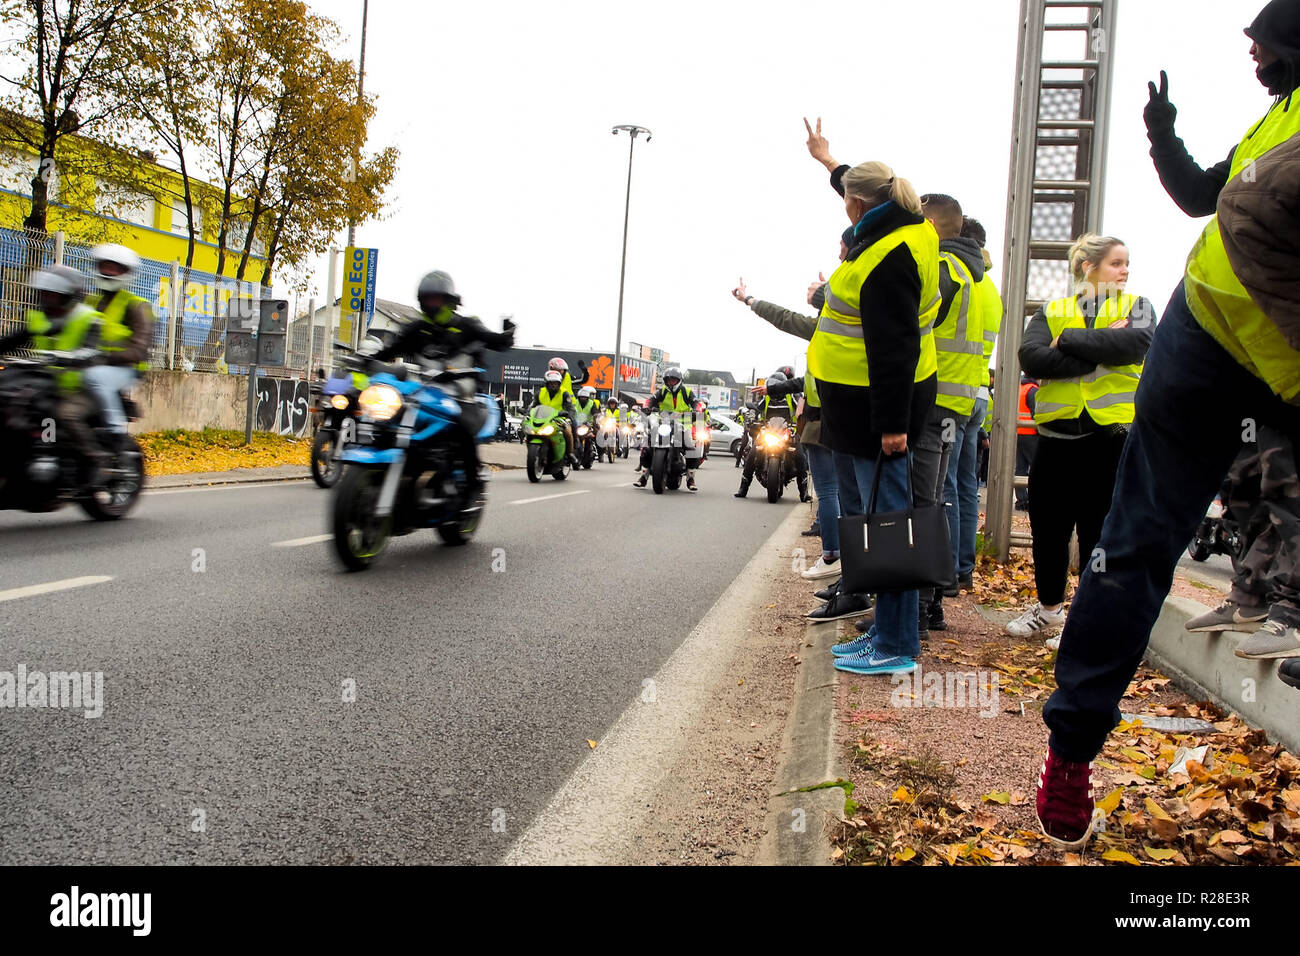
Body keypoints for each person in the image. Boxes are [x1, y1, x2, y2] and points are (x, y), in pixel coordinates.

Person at [1037, 0, 1300, 849]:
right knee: (1139, 542)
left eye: (1267, 45)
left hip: (1257, 352)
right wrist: (1163, 132)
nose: (1254, 55)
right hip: (1208, 345)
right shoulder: (1282, 117)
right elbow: (1205, 197)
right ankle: (1072, 750)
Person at [790, 139, 940, 676]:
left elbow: (893, 347)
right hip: (862, 409)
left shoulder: (887, 256)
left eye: (845, 198)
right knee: (877, 524)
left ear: (856, 206)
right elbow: (858, 180)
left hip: (880, 412)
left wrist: (894, 427)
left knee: (888, 527)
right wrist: (829, 162)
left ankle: (898, 644)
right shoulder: (900, 223)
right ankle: (884, 628)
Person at [1007, 234, 1155, 647]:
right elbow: (1032, 358)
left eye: (1126, 263)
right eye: (1116, 263)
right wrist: (1101, 345)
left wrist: (1068, 341)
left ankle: (1088, 620)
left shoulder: (1137, 307)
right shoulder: (1053, 310)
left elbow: (1134, 345)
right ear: (1087, 267)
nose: (1125, 271)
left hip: (1110, 437)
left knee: (1099, 532)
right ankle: (1050, 610)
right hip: (1057, 437)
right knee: (1049, 529)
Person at [373, 270, 516, 489]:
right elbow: (390, 349)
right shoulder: (417, 329)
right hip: (427, 394)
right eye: (427, 299)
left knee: (461, 425)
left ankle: (472, 477)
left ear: (448, 300)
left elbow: (494, 341)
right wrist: (366, 359)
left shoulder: (467, 326)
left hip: (463, 395)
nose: (432, 304)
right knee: (392, 417)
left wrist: (507, 335)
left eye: (436, 299)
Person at [919, 194, 987, 626]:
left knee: (923, 504)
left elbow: (911, 321)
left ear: (933, 226)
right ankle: (934, 601)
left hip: (934, 400)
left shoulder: (945, 270)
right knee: (940, 500)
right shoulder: (972, 273)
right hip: (956, 402)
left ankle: (922, 609)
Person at [732, 288, 836, 569]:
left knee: (806, 463)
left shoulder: (826, 332)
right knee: (754, 452)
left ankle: (805, 494)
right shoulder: (769, 398)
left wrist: (750, 300)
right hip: (818, 424)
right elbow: (802, 382)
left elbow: (785, 319)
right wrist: (760, 411)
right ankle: (744, 485)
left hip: (818, 423)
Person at [1185, 425, 1300, 662]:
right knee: (1248, 476)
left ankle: (1293, 613)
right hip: (1266, 393)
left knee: (1288, 481)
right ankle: (1253, 594)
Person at [0, 265, 107, 480]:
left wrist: (67, 357)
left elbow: (92, 351)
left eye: (52, 295)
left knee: (63, 415)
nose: (47, 299)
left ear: (68, 296)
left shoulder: (89, 318)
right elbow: (13, 340)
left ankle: (96, 461)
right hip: (43, 384)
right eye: (44, 294)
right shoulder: (39, 318)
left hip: (77, 388)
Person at [82, 244, 154, 449]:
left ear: (127, 273)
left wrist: (103, 356)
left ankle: (115, 434)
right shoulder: (89, 301)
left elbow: (139, 349)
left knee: (95, 378)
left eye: (115, 268)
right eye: (104, 266)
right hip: (87, 364)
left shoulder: (136, 306)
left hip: (125, 369)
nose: (108, 272)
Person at [734, 371, 809, 501]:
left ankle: (803, 492)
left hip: (787, 432)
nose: (775, 392)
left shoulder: (790, 398)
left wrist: (801, 420)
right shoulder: (766, 398)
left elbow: (800, 411)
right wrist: (752, 417)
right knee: (752, 453)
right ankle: (743, 488)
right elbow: (757, 409)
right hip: (769, 431)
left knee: (800, 455)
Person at [634, 366, 699, 491]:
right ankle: (644, 475)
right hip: (664, 422)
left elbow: (696, 403)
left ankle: (690, 477)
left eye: (673, 380)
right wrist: (647, 407)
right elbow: (651, 400)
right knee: (647, 444)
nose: (671, 383)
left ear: (679, 380)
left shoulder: (687, 392)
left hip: (683, 423)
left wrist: (696, 410)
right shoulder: (662, 391)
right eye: (668, 380)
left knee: (690, 446)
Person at [531, 369, 578, 464]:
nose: (553, 385)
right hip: (542, 419)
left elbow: (571, 408)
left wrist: (569, 417)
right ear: (546, 384)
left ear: (559, 384)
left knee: (567, 432)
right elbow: (533, 406)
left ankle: (570, 453)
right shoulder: (540, 392)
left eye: (556, 383)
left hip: (559, 418)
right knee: (530, 429)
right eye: (551, 383)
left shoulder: (564, 393)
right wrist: (527, 413)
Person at [1015, 373, 1039, 510]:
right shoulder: (1033, 390)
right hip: (1031, 433)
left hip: (1019, 432)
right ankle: (1034, 499)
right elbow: (1036, 413)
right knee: (1035, 467)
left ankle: (1021, 500)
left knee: (1020, 468)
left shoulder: (1020, 388)